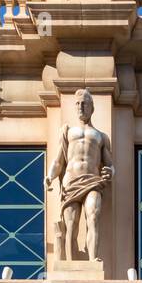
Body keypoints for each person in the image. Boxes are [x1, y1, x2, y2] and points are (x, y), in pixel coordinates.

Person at [48, 88, 114, 261]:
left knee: (93, 216)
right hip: (71, 182)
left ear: (92, 108)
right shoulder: (67, 132)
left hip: (93, 181)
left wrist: (110, 172)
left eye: (84, 103)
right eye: (77, 103)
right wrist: (50, 176)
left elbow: (110, 164)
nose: (80, 107)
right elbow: (58, 161)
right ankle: (70, 263)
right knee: (71, 224)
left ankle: (93, 258)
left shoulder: (100, 136)